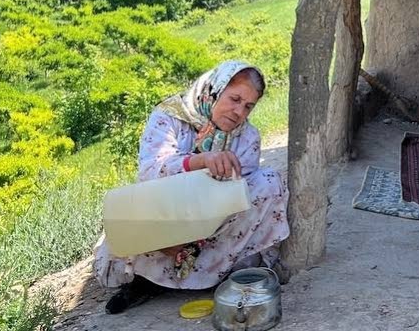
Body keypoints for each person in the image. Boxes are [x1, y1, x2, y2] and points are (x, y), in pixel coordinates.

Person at [93, 60, 289, 314]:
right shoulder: (170, 117)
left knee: (270, 183)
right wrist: (199, 161)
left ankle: (214, 272)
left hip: (214, 228)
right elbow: (151, 171)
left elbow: (242, 197)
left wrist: (198, 233)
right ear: (214, 91)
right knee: (130, 216)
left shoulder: (247, 137)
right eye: (234, 98)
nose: (238, 111)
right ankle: (147, 282)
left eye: (248, 106)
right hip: (164, 223)